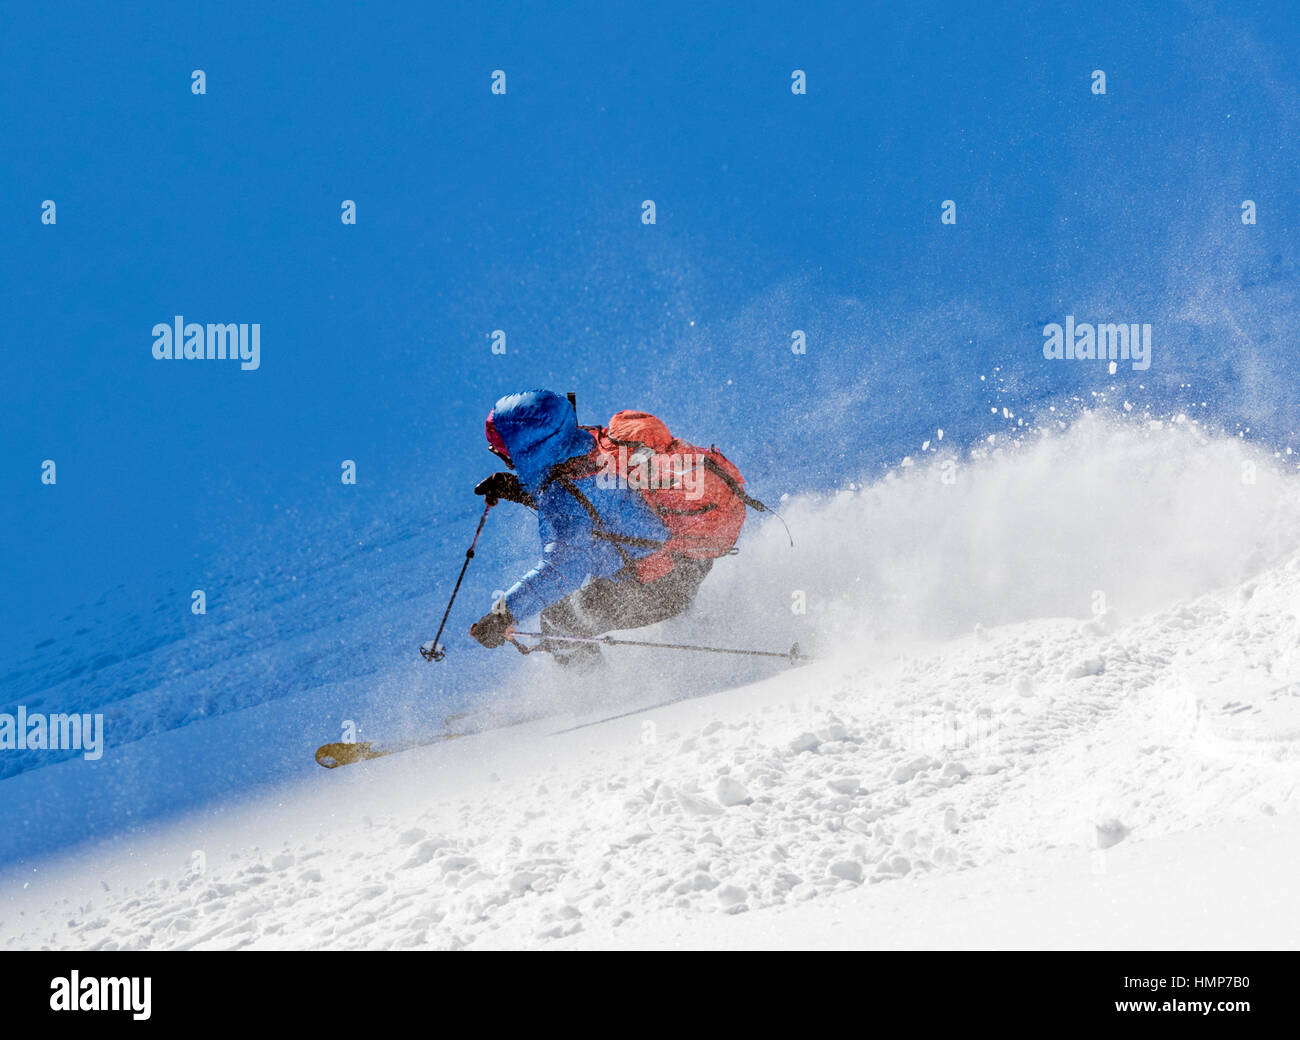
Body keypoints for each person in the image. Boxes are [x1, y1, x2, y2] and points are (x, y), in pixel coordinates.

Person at [468, 389, 716, 669]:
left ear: (527, 450)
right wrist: (518, 489)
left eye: (504, 451)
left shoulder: (562, 496)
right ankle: (698, 627)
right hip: (689, 556)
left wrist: (503, 615)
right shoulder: (589, 445)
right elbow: (594, 503)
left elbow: (561, 571)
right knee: (595, 586)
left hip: (662, 589)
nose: (503, 457)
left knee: (559, 619)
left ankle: (591, 696)